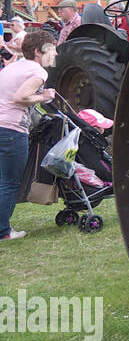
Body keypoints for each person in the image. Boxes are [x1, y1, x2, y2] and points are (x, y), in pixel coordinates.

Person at [0, 29, 59, 242]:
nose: (56, 54)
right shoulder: (38, 72)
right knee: (9, 182)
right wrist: (43, 96)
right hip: (10, 130)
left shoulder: (14, 67)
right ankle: (3, 232)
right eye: (52, 50)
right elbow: (20, 97)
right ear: (37, 51)